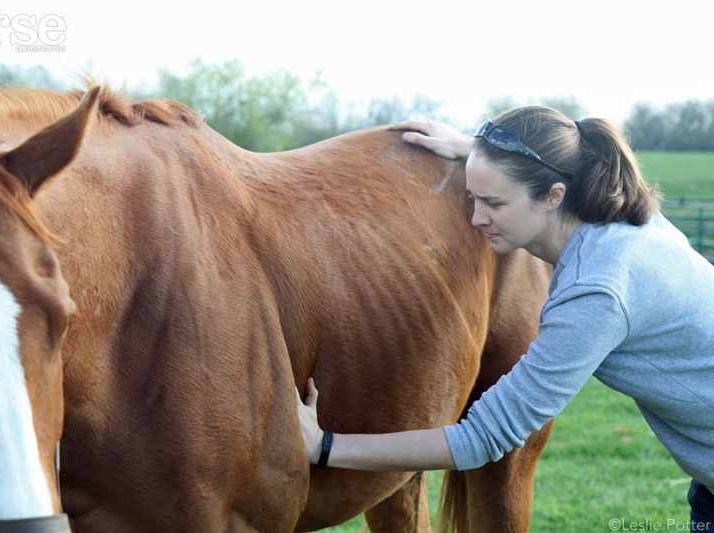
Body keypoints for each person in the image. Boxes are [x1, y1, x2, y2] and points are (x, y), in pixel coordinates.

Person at [296, 106, 714, 527]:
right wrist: (472, 149)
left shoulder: (596, 291)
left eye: (493, 202)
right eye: (474, 198)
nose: (476, 218)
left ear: (553, 195)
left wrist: (324, 446)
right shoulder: (628, 220)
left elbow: (483, 438)